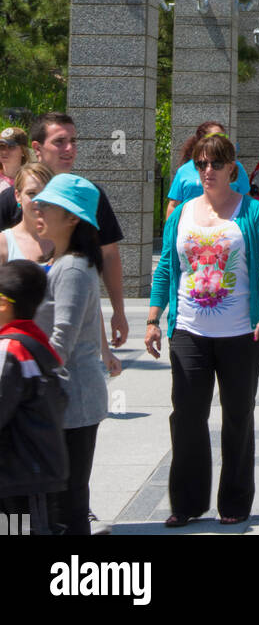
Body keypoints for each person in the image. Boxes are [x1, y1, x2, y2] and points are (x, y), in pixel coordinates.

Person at [145, 132, 259, 528]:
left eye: (215, 164)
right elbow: (167, 268)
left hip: (241, 333)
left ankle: (235, 501)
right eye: (201, 163)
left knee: (238, 416)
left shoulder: (253, 213)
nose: (207, 171)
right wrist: (154, 319)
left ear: (232, 169)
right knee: (186, 415)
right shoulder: (181, 214)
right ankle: (186, 503)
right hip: (188, 330)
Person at [32, 173, 112, 535]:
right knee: (56, 500)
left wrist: (22, 373)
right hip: (63, 400)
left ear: (72, 218)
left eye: (47, 205)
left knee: (69, 504)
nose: (39, 209)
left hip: (73, 401)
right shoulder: (61, 262)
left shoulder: (75, 267)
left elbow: (62, 339)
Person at [10, 114, 129, 350]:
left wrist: (118, 311)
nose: (69, 149)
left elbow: (109, 254)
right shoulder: (12, 200)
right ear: (37, 148)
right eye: (60, 141)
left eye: (73, 141)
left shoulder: (89, 196)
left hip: (62, 351)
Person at [0, 259, 68, 536]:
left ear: (4, 303)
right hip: (35, 471)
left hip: (19, 473)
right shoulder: (36, 343)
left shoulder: (11, 349)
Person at [166, 122, 251, 220]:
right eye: (202, 165)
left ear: (230, 168)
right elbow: (173, 205)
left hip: (228, 224)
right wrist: (171, 232)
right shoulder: (184, 170)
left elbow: (246, 200)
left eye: (217, 165)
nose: (209, 170)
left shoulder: (236, 167)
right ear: (201, 141)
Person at [0, 162, 55, 264]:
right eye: (31, 193)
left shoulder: (65, 240)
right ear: (18, 196)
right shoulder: (3, 244)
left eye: (45, 193)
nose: (39, 201)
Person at [0, 126, 32, 192]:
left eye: (11, 147)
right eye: (1, 146)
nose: (4, 151)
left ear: (23, 151)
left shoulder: (31, 180)